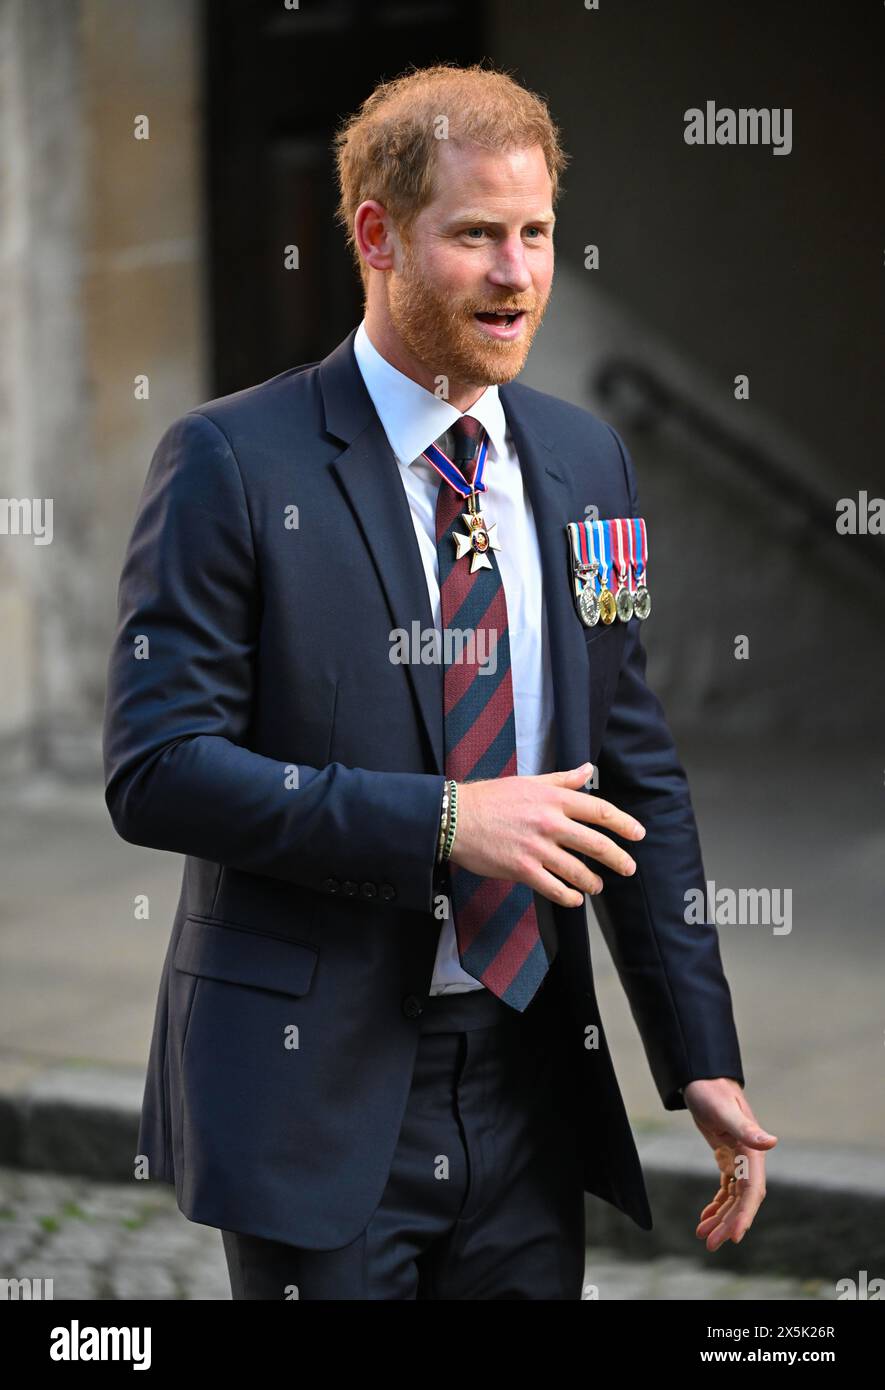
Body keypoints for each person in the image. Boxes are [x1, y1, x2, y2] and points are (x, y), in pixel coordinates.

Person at [102, 62, 776, 1301]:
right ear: (376, 236)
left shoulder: (588, 462)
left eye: (537, 234)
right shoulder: (231, 463)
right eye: (476, 236)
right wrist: (448, 822)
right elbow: (157, 771)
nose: (517, 275)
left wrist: (700, 1055)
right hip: (314, 1094)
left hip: (530, 1082)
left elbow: (633, 774)